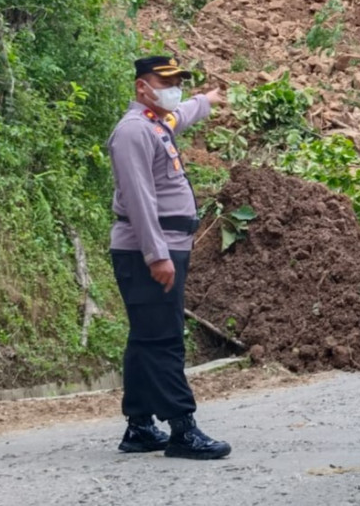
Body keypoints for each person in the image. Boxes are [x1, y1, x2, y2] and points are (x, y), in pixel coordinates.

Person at [108, 55, 231, 459]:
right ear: (143, 87)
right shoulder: (132, 133)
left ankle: (140, 427)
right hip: (149, 252)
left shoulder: (157, 122)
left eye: (177, 81)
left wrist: (208, 99)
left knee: (146, 339)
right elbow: (140, 199)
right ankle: (182, 428)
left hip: (165, 248)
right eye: (166, 81)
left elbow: (183, 113)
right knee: (164, 340)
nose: (173, 87)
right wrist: (156, 254)